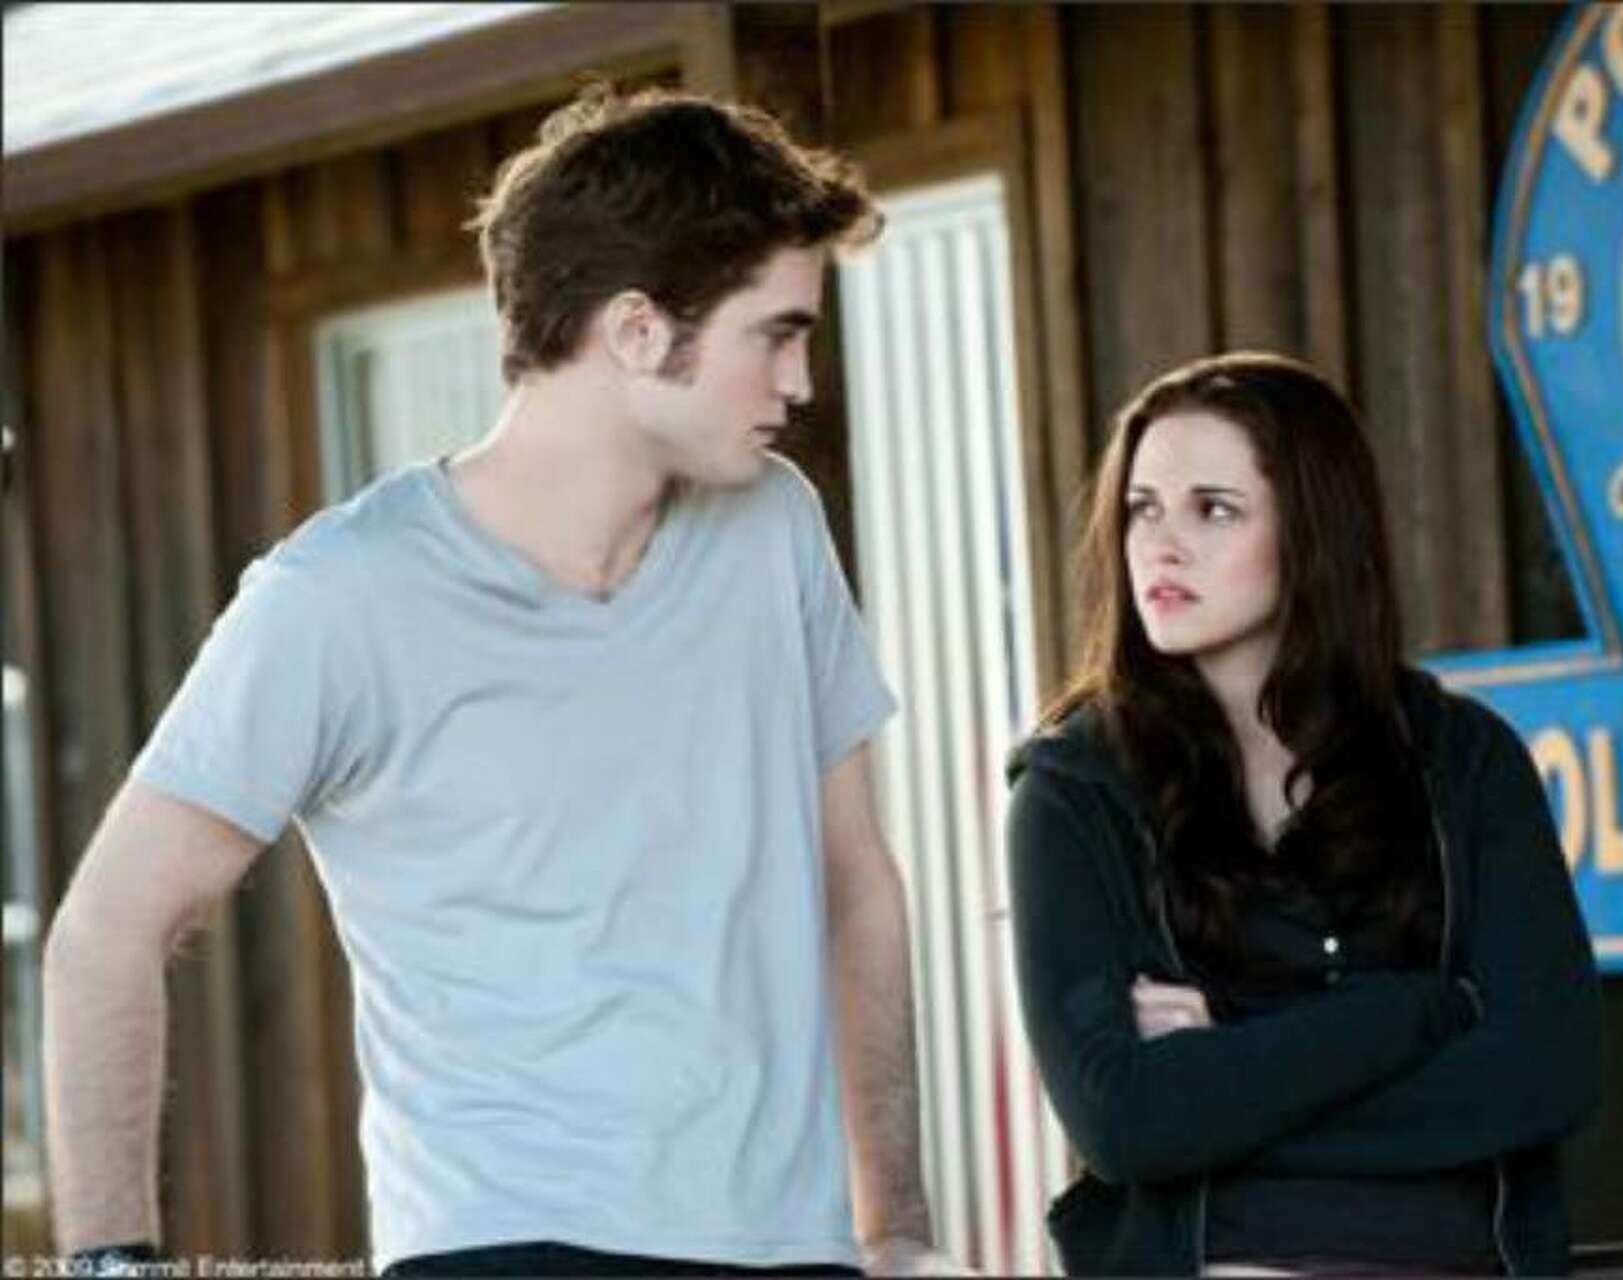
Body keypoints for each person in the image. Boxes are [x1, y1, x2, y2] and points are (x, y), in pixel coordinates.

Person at [44, 86, 954, 1278]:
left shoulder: (775, 529)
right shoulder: (340, 593)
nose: (801, 381)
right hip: (502, 1242)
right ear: (638, 330)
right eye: (775, 334)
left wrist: (897, 1226)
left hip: (788, 1251)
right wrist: (111, 1259)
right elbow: (108, 925)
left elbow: (857, 882)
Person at [1006, 352, 1602, 1276]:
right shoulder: (1074, 790)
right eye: (1142, 508)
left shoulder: (1464, 760)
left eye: (1214, 510)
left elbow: (1547, 1073)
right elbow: (1125, 1123)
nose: (1161, 546)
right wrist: (1419, 1010)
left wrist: (1224, 1076)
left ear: (1315, 529)